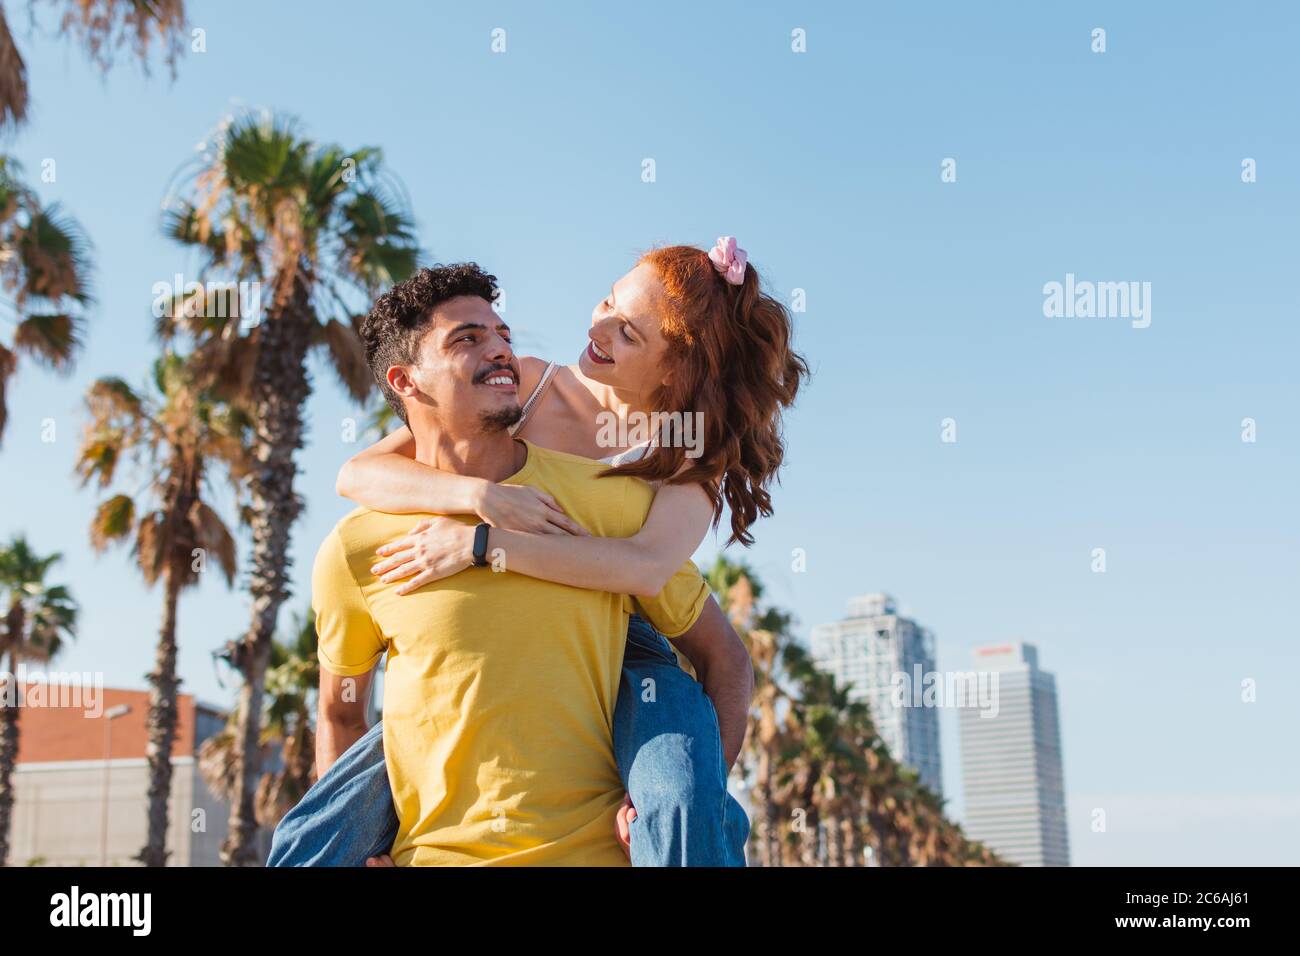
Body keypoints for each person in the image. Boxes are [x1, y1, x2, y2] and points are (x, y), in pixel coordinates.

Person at [270, 239, 806, 865]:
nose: (597, 325)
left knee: (680, 793)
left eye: (627, 332)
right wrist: (481, 497)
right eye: (607, 300)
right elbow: (358, 473)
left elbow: (644, 569)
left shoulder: (682, 459)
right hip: (498, 650)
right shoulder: (527, 384)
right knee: (311, 837)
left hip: (628, 637)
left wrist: (483, 546)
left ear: (674, 369)